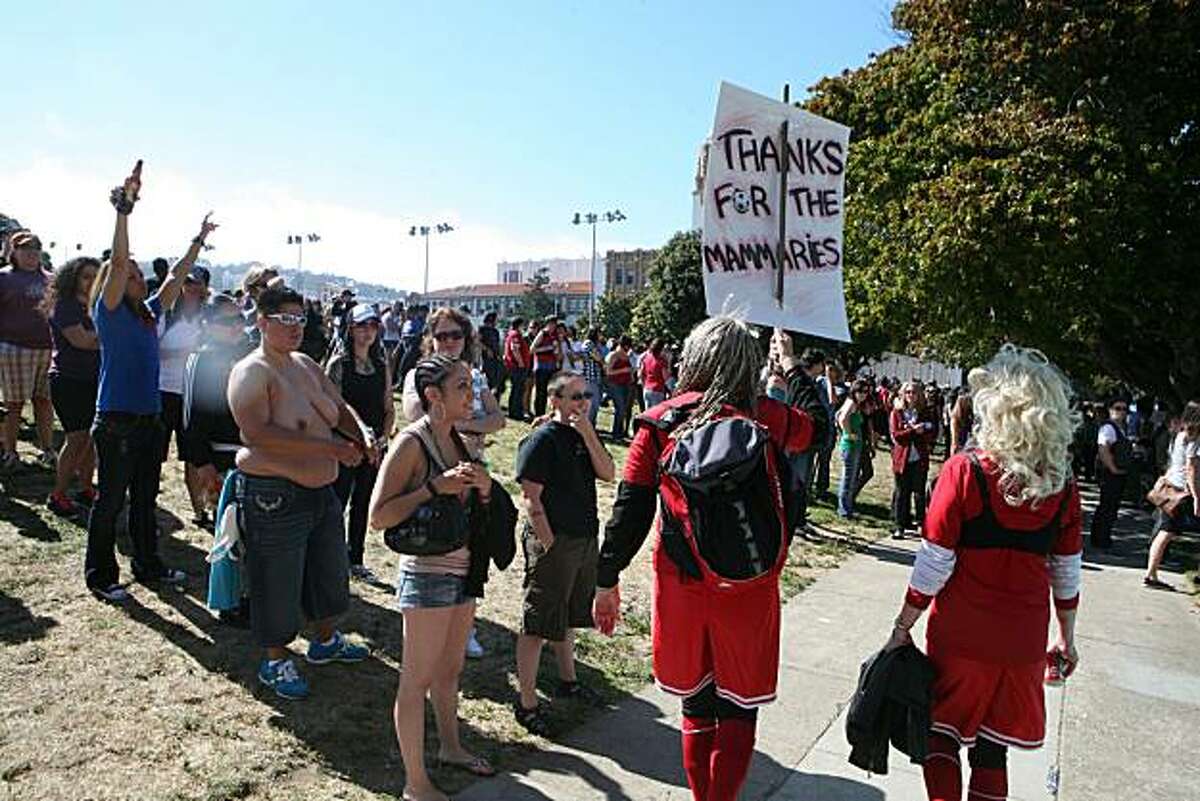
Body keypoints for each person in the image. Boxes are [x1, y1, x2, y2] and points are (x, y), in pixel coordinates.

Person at [593, 317, 813, 801]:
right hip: (751, 587)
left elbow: (629, 511)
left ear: (693, 358)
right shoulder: (769, 418)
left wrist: (606, 579)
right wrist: (792, 366)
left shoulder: (659, 423)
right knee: (739, 709)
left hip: (681, 583)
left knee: (697, 705)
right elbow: (817, 431)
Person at [882, 345, 1082, 801]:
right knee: (993, 752)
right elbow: (1066, 572)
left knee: (942, 736)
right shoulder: (1061, 485)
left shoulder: (966, 471)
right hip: (1024, 641)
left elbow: (933, 565)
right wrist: (1067, 636)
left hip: (962, 634)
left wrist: (901, 627)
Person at [227, 283, 373, 699]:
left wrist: (361, 434)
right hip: (274, 492)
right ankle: (275, 660)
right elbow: (257, 433)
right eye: (285, 320)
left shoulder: (306, 363)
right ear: (262, 322)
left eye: (300, 319)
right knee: (276, 579)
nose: (295, 328)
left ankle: (325, 641)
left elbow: (338, 405)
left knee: (327, 571)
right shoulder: (251, 371)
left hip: (320, 489)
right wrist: (331, 447)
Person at [368, 355, 497, 801]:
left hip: (463, 570)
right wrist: (433, 487)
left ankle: (450, 747)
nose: (472, 394)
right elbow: (378, 517)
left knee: (450, 668)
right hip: (426, 575)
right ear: (433, 396)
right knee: (416, 678)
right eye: (462, 386)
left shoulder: (457, 439)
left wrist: (481, 486)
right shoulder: (410, 443)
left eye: (471, 384)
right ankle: (415, 783)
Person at [85, 162, 212, 601]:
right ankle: (101, 576)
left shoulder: (149, 313)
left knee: (144, 498)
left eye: (141, 277)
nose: (139, 279)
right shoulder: (110, 311)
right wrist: (125, 210)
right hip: (117, 418)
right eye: (134, 277)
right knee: (111, 501)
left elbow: (176, 277)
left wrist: (198, 241)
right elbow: (119, 261)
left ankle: (148, 565)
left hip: (148, 419)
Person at [513, 370, 615, 735]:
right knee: (538, 622)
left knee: (568, 615)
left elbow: (608, 472)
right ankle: (526, 703)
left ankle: (567, 680)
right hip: (555, 541)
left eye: (585, 396)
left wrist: (588, 433)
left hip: (584, 538)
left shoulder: (582, 436)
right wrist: (549, 541)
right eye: (574, 397)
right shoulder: (542, 439)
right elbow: (530, 496)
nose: (582, 403)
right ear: (555, 400)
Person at [401, 306, 505, 659]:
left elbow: (497, 420)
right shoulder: (420, 374)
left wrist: (461, 426)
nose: (448, 342)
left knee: (473, 546)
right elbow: (417, 417)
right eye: (441, 335)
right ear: (430, 339)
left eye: (455, 335)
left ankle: (466, 626)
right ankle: (429, 619)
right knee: (435, 542)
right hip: (434, 468)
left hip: (472, 469)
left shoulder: (475, 376)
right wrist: (467, 426)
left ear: (466, 339)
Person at [182, 293, 255, 626]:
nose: (236, 326)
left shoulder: (246, 354)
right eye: (228, 321)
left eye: (239, 319)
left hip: (250, 457)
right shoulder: (200, 359)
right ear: (209, 325)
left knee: (250, 533)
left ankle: (249, 595)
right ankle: (230, 602)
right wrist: (202, 463)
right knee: (229, 535)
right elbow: (191, 419)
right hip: (219, 458)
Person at [327, 304, 393, 583]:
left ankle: (356, 558)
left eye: (373, 326)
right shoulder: (338, 364)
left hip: (374, 446)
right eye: (362, 326)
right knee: (336, 503)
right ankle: (329, 557)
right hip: (346, 445)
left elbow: (388, 407)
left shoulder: (381, 363)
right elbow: (335, 407)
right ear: (350, 328)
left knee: (363, 503)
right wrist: (359, 438)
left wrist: (382, 437)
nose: (368, 332)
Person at [42, 256, 101, 515]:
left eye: (95, 276)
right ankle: (58, 494)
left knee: (91, 440)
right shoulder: (65, 306)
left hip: (95, 379)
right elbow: (82, 341)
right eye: (85, 276)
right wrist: (114, 335)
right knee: (76, 439)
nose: (90, 281)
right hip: (69, 380)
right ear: (73, 278)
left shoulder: (100, 304)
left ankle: (87, 488)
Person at [0, 230, 55, 471]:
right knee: (14, 403)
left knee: (44, 401)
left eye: (36, 248)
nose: (31, 253)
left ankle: (48, 450)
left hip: (48, 348)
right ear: (14, 252)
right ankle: (11, 452)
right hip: (14, 348)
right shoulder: (4, 278)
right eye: (25, 248)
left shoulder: (51, 279)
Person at [158, 268, 209, 527]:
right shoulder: (166, 315)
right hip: (164, 392)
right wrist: (184, 352)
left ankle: (200, 511)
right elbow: (151, 350)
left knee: (194, 456)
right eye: (187, 283)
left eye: (197, 284)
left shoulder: (209, 318)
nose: (192, 288)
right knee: (155, 454)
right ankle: (148, 503)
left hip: (195, 395)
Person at [1143, 400, 1200, 590]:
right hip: (1183, 493)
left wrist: (1164, 477)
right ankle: (1152, 574)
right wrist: (1196, 497)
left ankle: (1151, 573)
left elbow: (1174, 463)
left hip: (1171, 488)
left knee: (1165, 532)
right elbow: (1190, 469)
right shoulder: (1194, 438)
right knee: (1167, 532)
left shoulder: (1179, 435)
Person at [890, 380, 938, 540]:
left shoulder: (925, 412)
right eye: (908, 392)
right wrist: (913, 431)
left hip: (919, 458)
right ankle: (899, 525)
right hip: (902, 458)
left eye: (914, 392)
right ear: (903, 394)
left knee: (919, 493)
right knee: (901, 493)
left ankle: (920, 523)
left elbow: (931, 433)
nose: (911, 395)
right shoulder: (897, 413)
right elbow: (897, 436)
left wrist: (921, 432)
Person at [1090, 397, 1132, 550]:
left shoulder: (1122, 428)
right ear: (1110, 410)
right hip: (1109, 473)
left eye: (1124, 409)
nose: (1121, 412)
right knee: (1106, 506)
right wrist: (1112, 468)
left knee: (1112, 506)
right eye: (1117, 408)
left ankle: (1104, 536)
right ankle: (1100, 539)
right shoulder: (1108, 428)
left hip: (1118, 472)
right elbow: (1103, 449)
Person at [835, 378, 872, 519]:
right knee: (848, 478)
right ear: (854, 391)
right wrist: (848, 433)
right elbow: (842, 418)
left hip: (855, 445)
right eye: (860, 391)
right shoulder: (851, 403)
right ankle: (844, 510)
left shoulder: (856, 404)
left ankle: (847, 507)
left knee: (850, 478)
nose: (863, 394)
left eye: (866, 392)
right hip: (850, 445)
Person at [604, 335, 634, 441]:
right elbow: (608, 372)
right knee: (620, 408)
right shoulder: (613, 355)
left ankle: (620, 432)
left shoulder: (626, 356)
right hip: (614, 384)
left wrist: (630, 376)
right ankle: (616, 433)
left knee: (624, 409)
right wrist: (623, 370)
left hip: (626, 384)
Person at [530, 317, 560, 417]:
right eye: (551, 323)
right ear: (547, 324)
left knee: (551, 391)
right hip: (541, 366)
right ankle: (539, 413)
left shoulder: (555, 335)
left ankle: (550, 414)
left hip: (552, 366)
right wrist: (547, 348)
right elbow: (532, 349)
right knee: (541, 392)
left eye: (555, 324)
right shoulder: (542, 333)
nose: (553, 326)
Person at [503, 316, 530, 421]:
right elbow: (515, 349)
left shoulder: (512, 334)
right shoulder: (515, 335)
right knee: (518, 390)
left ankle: (514, 411)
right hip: (517, 367)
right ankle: (516, 412)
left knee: (517, 389)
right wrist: (521, 362)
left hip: (516, 366)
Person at [579, 328, 606, 425]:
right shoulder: (589, 343)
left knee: (595, 403)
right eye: (600, 333)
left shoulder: (595, 345)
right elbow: (598, 357)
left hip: (595, 378)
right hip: (589, 378)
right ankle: (587, 426)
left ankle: (591, 425)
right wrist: (602, 362)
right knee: (591, 404)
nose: (601, 336)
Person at [639, 338, 670, 409]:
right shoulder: (661, 361)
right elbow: (666, 377)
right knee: (656, 415)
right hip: (657, 390)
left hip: (647, 389)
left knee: (648, 414)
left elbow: (640, 374)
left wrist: (644, 385)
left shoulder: (646, 358)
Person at [478, 310, 502, 394]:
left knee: (496, 382)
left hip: (496, 359)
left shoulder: (495, 331)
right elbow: (477, 341)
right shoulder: (482, 329)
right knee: (486, 380)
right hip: (486, 359)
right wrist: (487, 349)